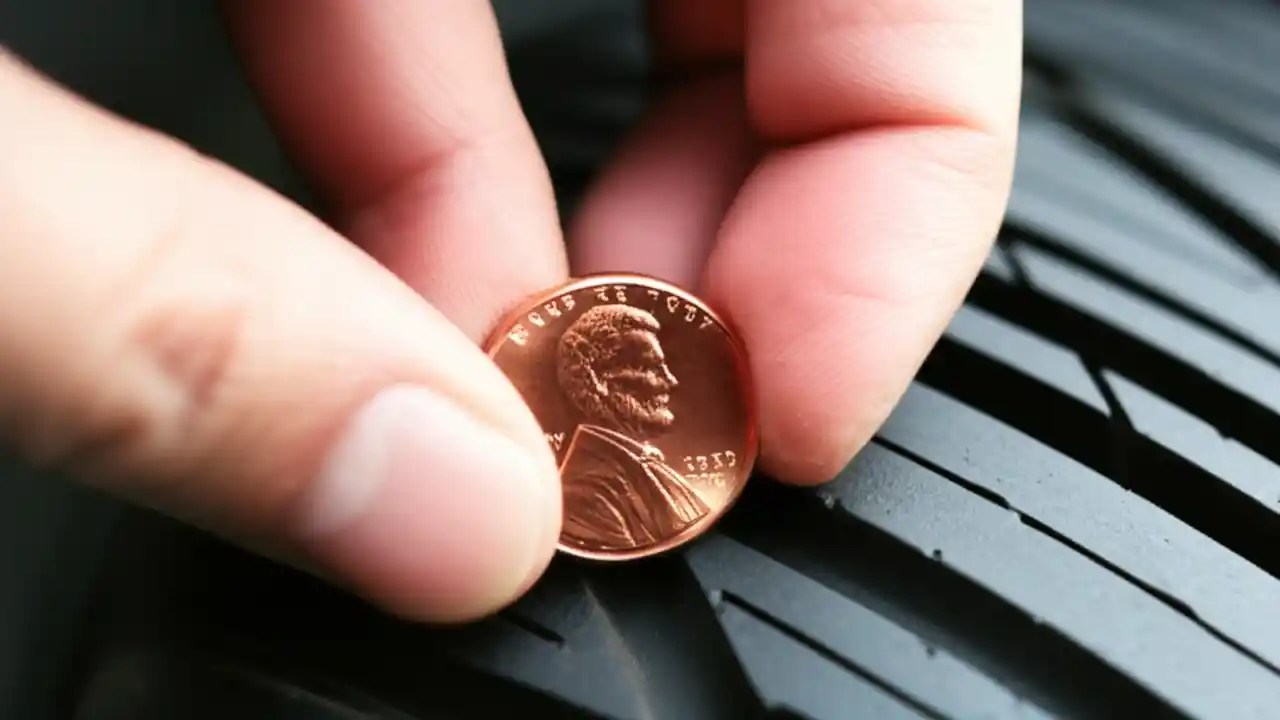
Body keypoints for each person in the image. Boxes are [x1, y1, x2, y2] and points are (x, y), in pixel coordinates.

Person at [0, 2, 1021, 624]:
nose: (669, 376)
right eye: (641, 367)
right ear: (587, 379)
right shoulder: (602, 486)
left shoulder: (648, 477)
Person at [555, 304, 709, 551]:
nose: (671, 381)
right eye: (650, 367)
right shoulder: (585, 495)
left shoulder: (643, 466)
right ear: (598, 378)